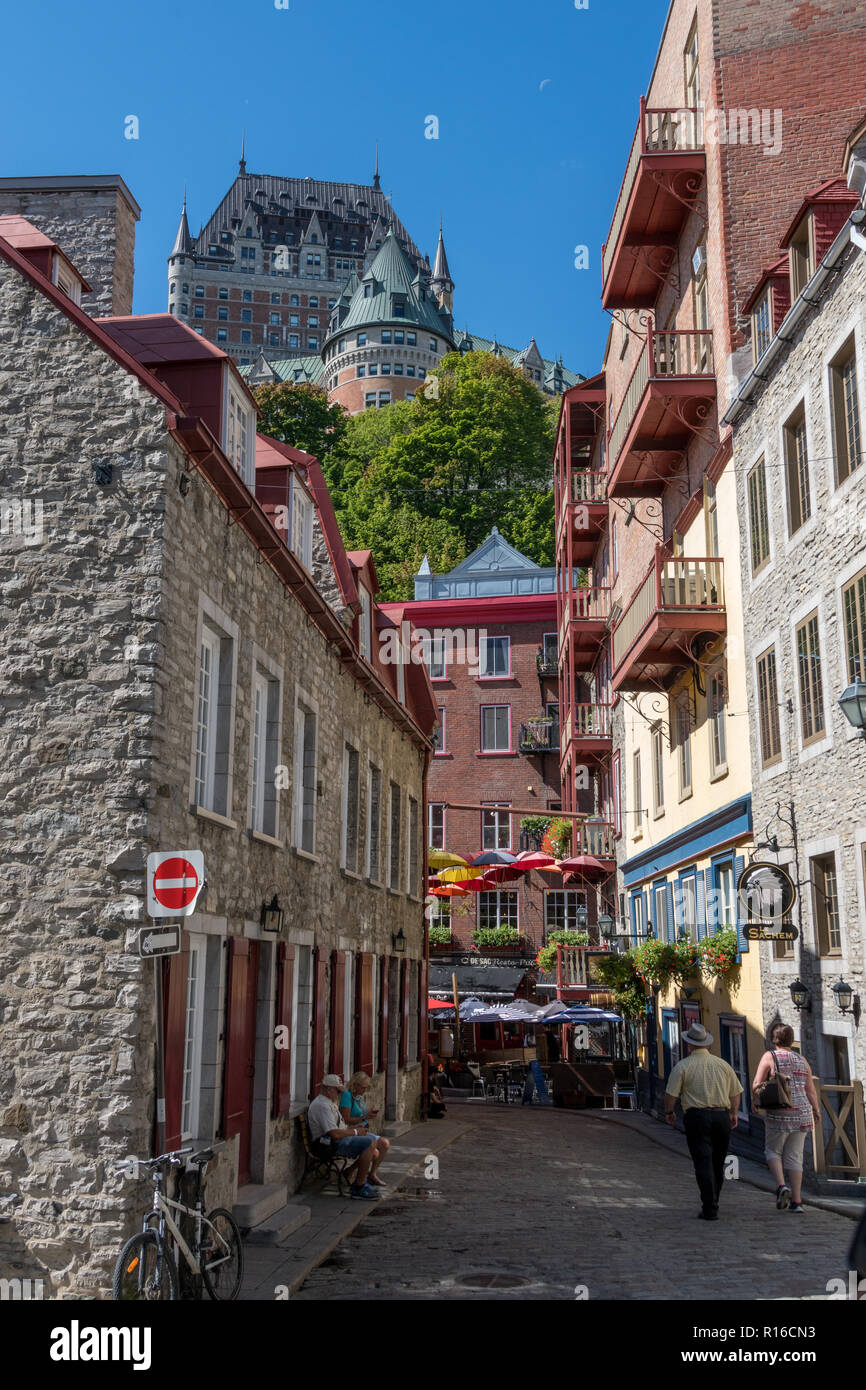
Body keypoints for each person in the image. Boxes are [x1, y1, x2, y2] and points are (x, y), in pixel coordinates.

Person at [664, 1023, 743, 1221]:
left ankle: (710, 1206)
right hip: (721, 1116)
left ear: (689, 1045)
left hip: (697, 1117)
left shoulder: (683, 1066)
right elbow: (736, 1092)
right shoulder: (723, 1065)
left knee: (703, 1161)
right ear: (706, 1044)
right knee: (718, 1162)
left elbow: (670, 1094)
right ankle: (714, 1199)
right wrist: (734, 1113)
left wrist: (669, 1111)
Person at [752, 1024, 820, 1213]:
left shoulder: (770, 1057)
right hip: (802, 1113)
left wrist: (756, 1100)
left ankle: (781, 1186)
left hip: (780, 1111)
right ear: (790, 1039)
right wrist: (816, 1110)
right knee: (795, 1156)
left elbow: (756, 1084)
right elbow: (810, 1090)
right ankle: (797, 1202)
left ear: (774, 1039)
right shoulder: (802, 1059)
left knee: (773, 1151)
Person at [306, 1074, 380, 1200]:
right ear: (328, 1089)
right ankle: (359, 1186)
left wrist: (355, 1129)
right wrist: (355, 1132)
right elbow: (334, 1133)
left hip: (334, 1140)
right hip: (327, 1145)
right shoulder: (323, 1106)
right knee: (370, 1142)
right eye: (337, 1091)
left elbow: (339, 1128)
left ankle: (355, 1177)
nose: (339, 1094)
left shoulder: (328, 1103)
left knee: (374, 1144)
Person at [338, 1071, 390, 1186]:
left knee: (385, 1144)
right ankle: (353, 1173)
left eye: (366, 1088)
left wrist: (368, 1116)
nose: (364, 1090)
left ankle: (372, 1174)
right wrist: (364, 1118)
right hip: (352, 1131)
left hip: (362, 1130)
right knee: (374, 1151)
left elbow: (362, 1115)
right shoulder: (347, 1096)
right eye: (363, 1087)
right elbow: (345, 1119)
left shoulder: (359, 1097)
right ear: (355, 1085)